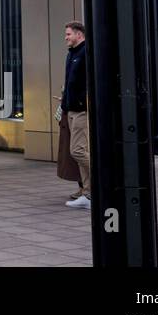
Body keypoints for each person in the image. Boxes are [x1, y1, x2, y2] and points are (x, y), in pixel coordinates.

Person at [61, 21, 90, 209]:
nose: (66, 38)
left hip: (82, 110)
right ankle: (87, 192)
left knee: (78, 151)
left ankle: (105, 179)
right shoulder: (72, 54)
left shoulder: (86, 53)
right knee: (80, 151)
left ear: (79, 34)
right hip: (71, 109)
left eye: (69, 34)